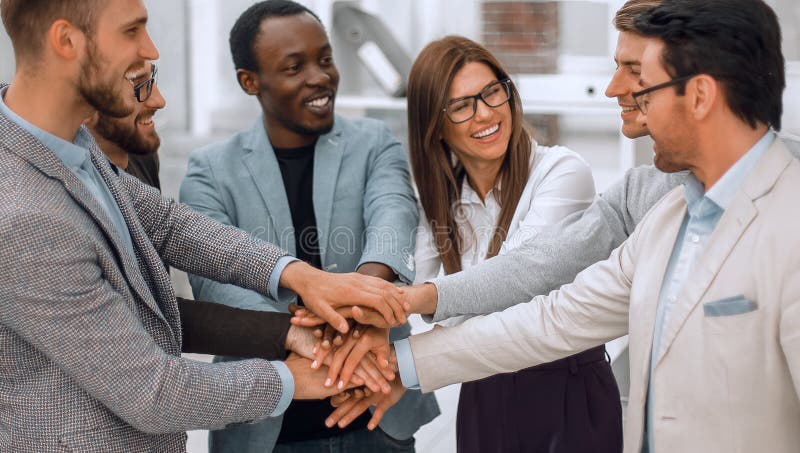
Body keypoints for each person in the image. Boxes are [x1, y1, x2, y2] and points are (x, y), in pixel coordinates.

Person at [385, 1, 800, 452]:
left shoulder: (788, 220)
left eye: (640, 80)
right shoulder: (664, 217)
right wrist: (398, 361)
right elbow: (554, 317)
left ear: (699, 95)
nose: (616, 91)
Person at [0, 0, 405, 451]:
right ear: (66, 41)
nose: (150, 49)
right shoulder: (23, 217)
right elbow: (153, 393)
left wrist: (301, 277)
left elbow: (169, 225)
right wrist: (292, 378)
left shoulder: (66, 143)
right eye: (132, 31)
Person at [178, 1, 438, 452]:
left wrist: (359, 308)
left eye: (324, 58)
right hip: (262, 428)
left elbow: (392, 221)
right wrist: (322, 334)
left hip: (379, 414)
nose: (320, 76)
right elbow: (218, 286)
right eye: (294, 66)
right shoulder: (209, 171)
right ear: (250, 81)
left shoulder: (375, 142)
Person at [407, 35, 619, 452]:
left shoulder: (561, 172)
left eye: (491, 92)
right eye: (461, 105)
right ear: (435, 126)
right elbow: (406, 277)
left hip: (566, 388)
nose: (485, 113)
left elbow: (514, 285)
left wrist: (411, 335)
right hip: (483, 386)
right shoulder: (441, 199)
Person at [87, 61, 314, 360]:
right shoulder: (43, 199)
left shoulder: (137, 156)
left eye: (152, 77)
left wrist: (304, 282)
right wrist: (290, 346)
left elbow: (171, 233)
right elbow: (137, 328)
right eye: (139, 85)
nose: (160, 99)